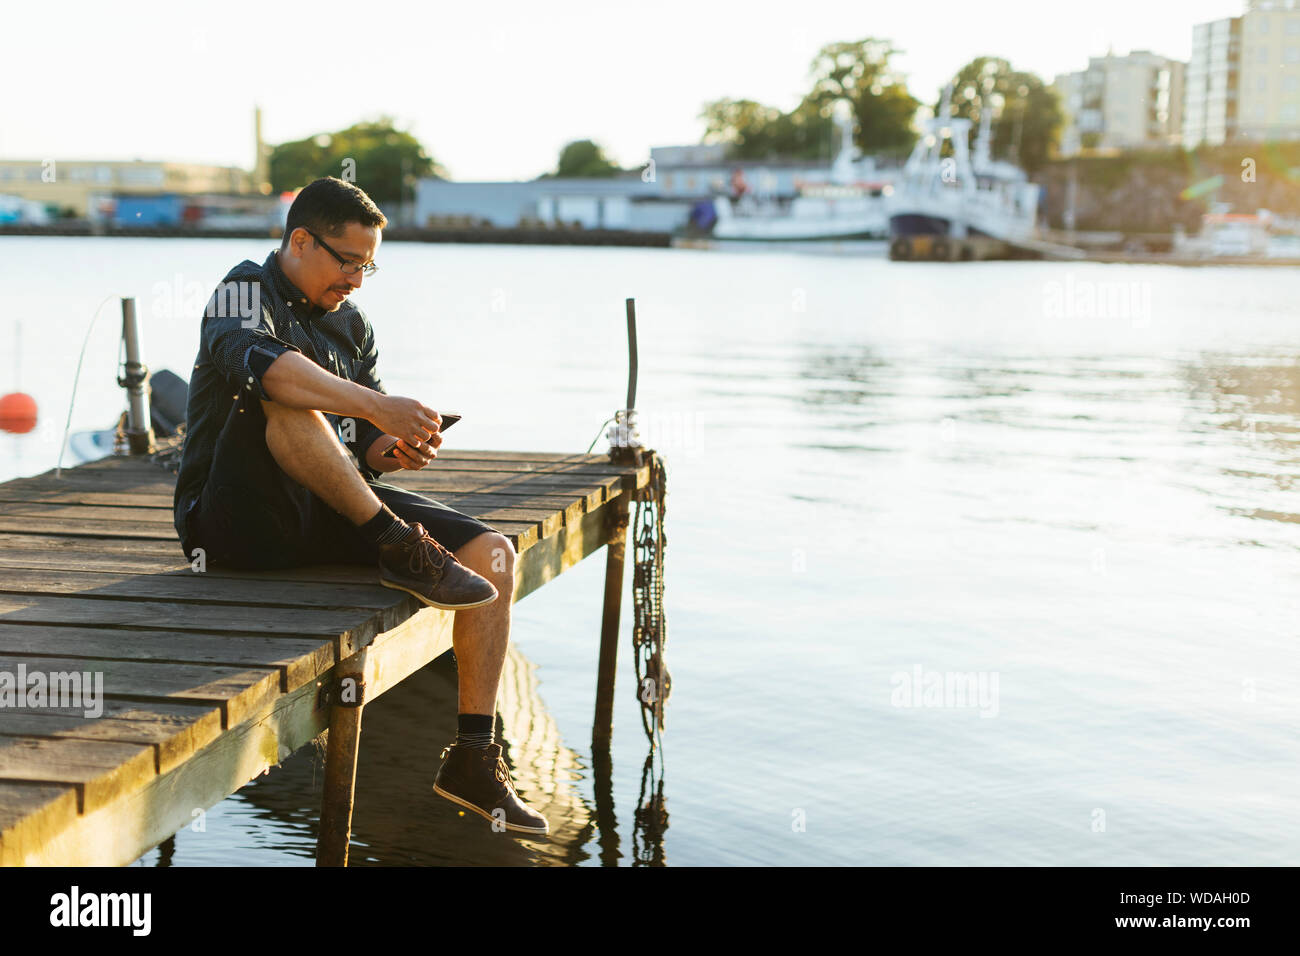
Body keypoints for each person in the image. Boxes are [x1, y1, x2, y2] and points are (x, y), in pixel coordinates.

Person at [172, 176, 548, 836]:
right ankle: (398, 544)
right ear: (299, 240)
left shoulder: (353, 326)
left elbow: (360, 444)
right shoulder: (242, 290)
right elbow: (265, 368)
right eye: (348, 262)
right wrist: (375, 405)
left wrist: (391, 448)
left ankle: (472, 759)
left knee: (495, 556)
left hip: (329, 508)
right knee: (283, 387)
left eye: (369, 266)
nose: (358, 280)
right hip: (231, 522)